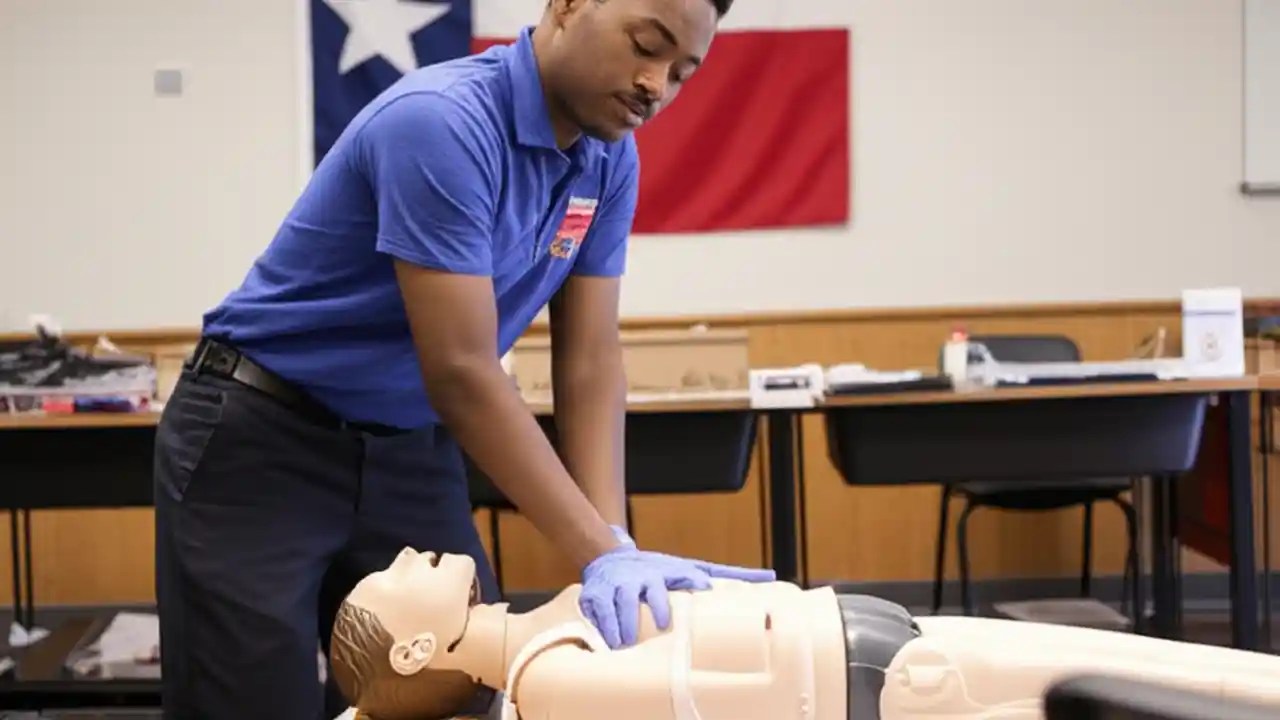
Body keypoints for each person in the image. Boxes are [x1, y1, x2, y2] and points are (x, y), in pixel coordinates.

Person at [150, 0, 774, 717]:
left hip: (404, 448)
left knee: (464, 684)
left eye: (681, 73)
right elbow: (462, 368)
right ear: (567, 5)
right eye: (645, 45)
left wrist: (614, 543)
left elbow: (591, 358)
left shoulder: (608, 159)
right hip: (260, 438)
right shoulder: (441, 121)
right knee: (256, 703)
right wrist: (593, 549)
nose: (654, 84)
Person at [329, 549, 1280, 720]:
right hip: (893, 682)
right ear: (417, 650)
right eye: (397, 576)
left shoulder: (546, 641)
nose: (411, 550)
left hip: (887, 644)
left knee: (1184, 673)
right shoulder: (549, 687)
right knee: (1178, 697)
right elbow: (719, 704)